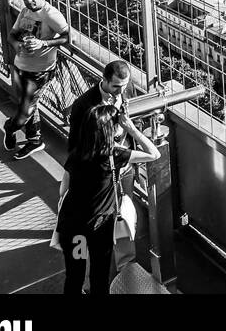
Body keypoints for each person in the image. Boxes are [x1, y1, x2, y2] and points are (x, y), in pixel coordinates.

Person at [55, 104, 159, 295]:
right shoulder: (115, 155)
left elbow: (64, 189)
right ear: (111, 130)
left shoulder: (77, 153)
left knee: (75, 274)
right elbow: (154, 154)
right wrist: (132, 130)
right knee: (99, 274)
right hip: (98, 226)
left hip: (72, 226)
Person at [6, 0, 71, 160]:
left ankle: (10, 127)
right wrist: (17, 45)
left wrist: (43, 43)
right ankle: (34, 140)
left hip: (41, 71)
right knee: (27, 105)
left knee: (25, 110)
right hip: (20, 66)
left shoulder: (51, 15)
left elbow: (67, 37)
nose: (29, 1)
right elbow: (12, 35)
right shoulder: (25, 11)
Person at [66, 59, 131, 166]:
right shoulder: (83, 104)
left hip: (124, 147)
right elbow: (75, 140)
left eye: (124, 85)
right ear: (105, 79)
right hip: (98, 158)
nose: (121, 91)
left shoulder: (127, 87)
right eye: (116, 86)